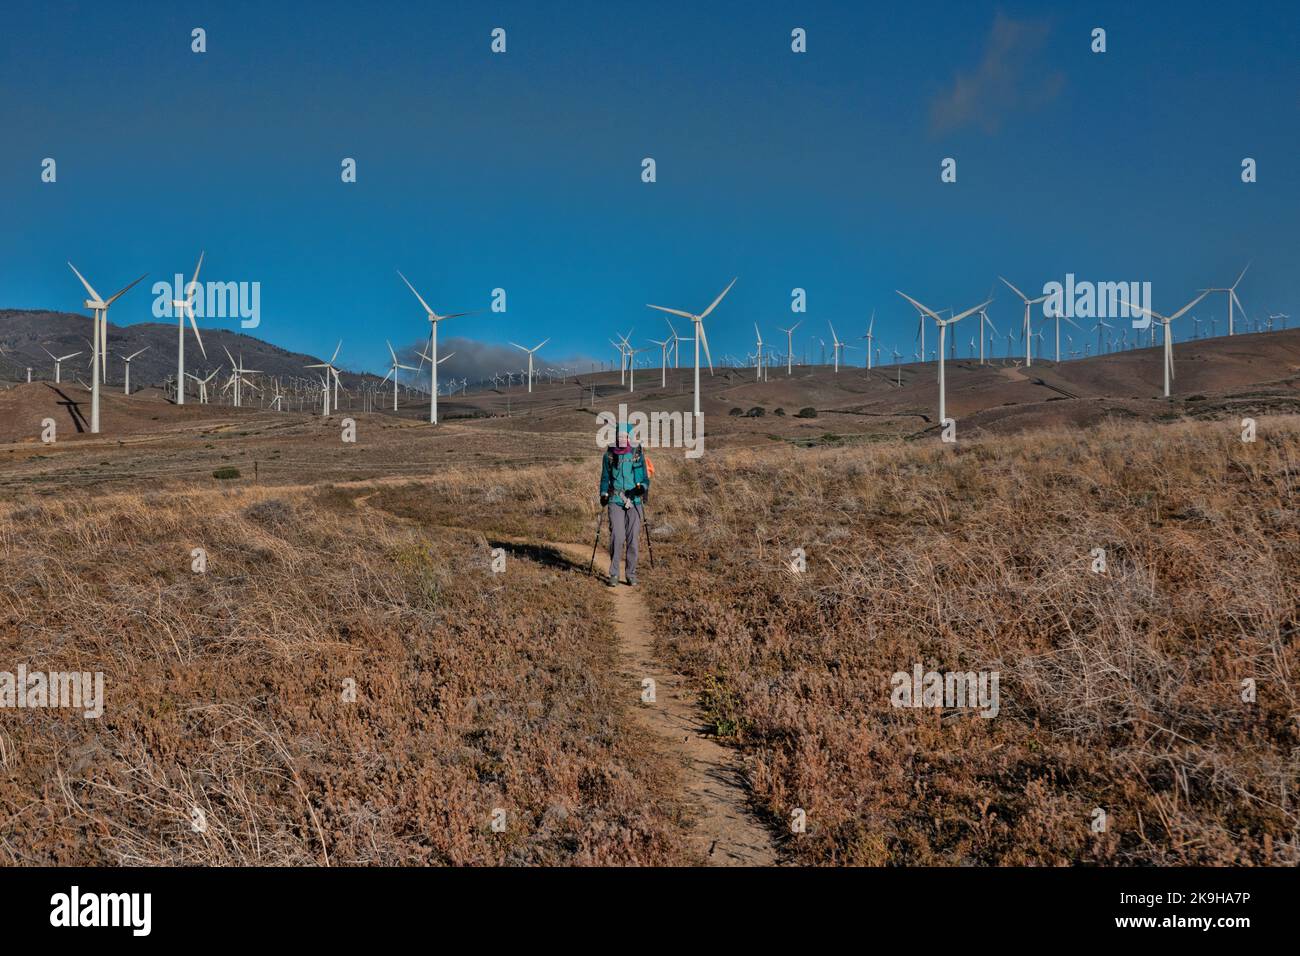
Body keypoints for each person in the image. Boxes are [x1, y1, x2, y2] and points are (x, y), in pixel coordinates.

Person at [599, 423, 650, 587]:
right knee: (617, 537)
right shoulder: (609, 455)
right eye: (619, 436)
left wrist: (642, 487)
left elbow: (644, 478)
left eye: (625, 436)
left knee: (633, 539)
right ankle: (614, 574)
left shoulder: (637, 453)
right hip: (615, 500)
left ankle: (631, 574)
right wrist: (603, 494)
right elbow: (605, 478)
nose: (622, 439)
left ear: (629, 437)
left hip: (634, 500)